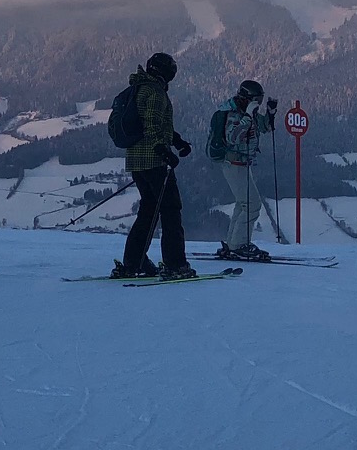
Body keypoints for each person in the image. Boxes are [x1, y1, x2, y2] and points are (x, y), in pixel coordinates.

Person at [113, 51, 195, 280]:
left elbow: (151, 123)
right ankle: (175, 264)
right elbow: (152, 124)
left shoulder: (139, 88)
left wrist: (176, 141)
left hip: (136, 161)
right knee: (171, 211)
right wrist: (163, 150)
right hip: (153, 161)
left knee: (148, 211)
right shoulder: (155, 92)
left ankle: (134, 262)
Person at [210, 80, 277, 262]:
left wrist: (270, 113)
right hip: (233, 164)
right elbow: (233, 137)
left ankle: (233, 243)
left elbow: (264, 128)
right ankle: (239, 245)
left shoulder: (248, 111)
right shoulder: (233, 114)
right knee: (252, 205)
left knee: (243, 204)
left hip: (241, 164)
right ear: (246, 98)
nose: (258, 103)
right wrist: (248, 116)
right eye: (256, 99)